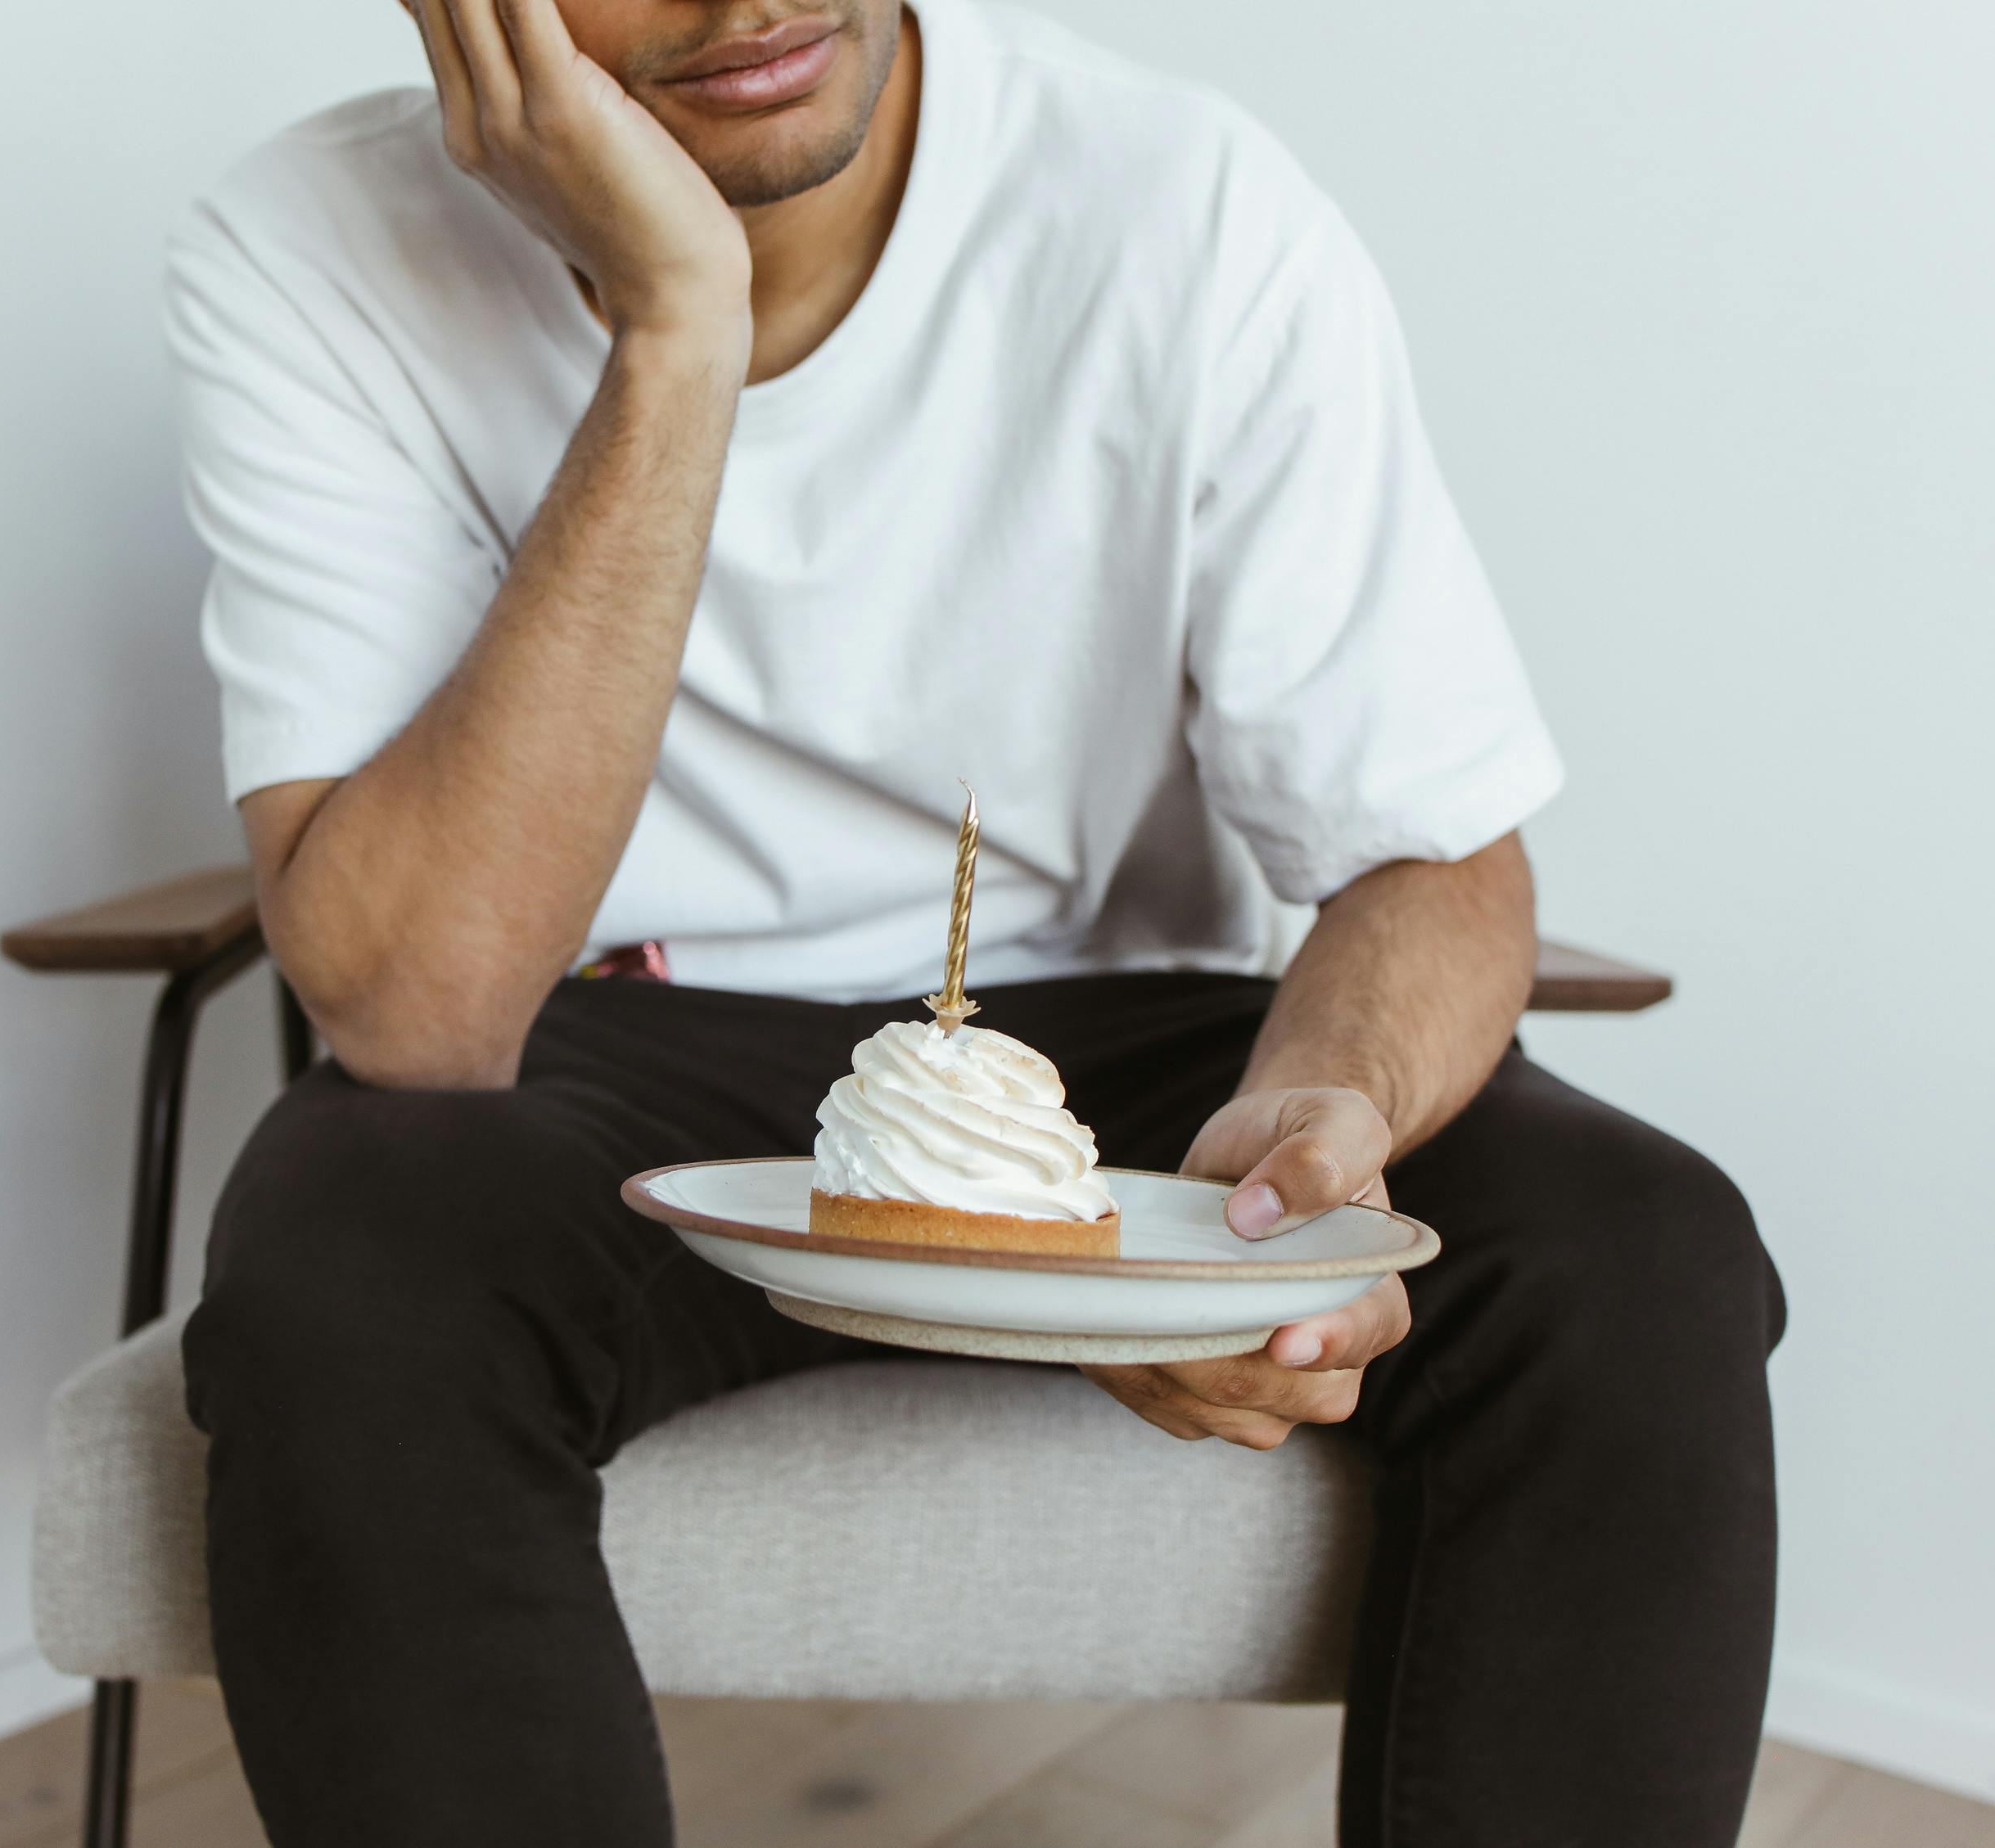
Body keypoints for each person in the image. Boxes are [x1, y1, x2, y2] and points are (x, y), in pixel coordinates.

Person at [164, 0, 1785, 1841]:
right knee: (351, 1260)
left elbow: (1432, 851)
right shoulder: (306, 245)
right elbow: (425, 1010)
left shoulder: (1183, 205)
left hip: (1110, 1063)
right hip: (604, 1050)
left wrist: (1308, 1123)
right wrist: (679, 329)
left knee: (1639, 1242)